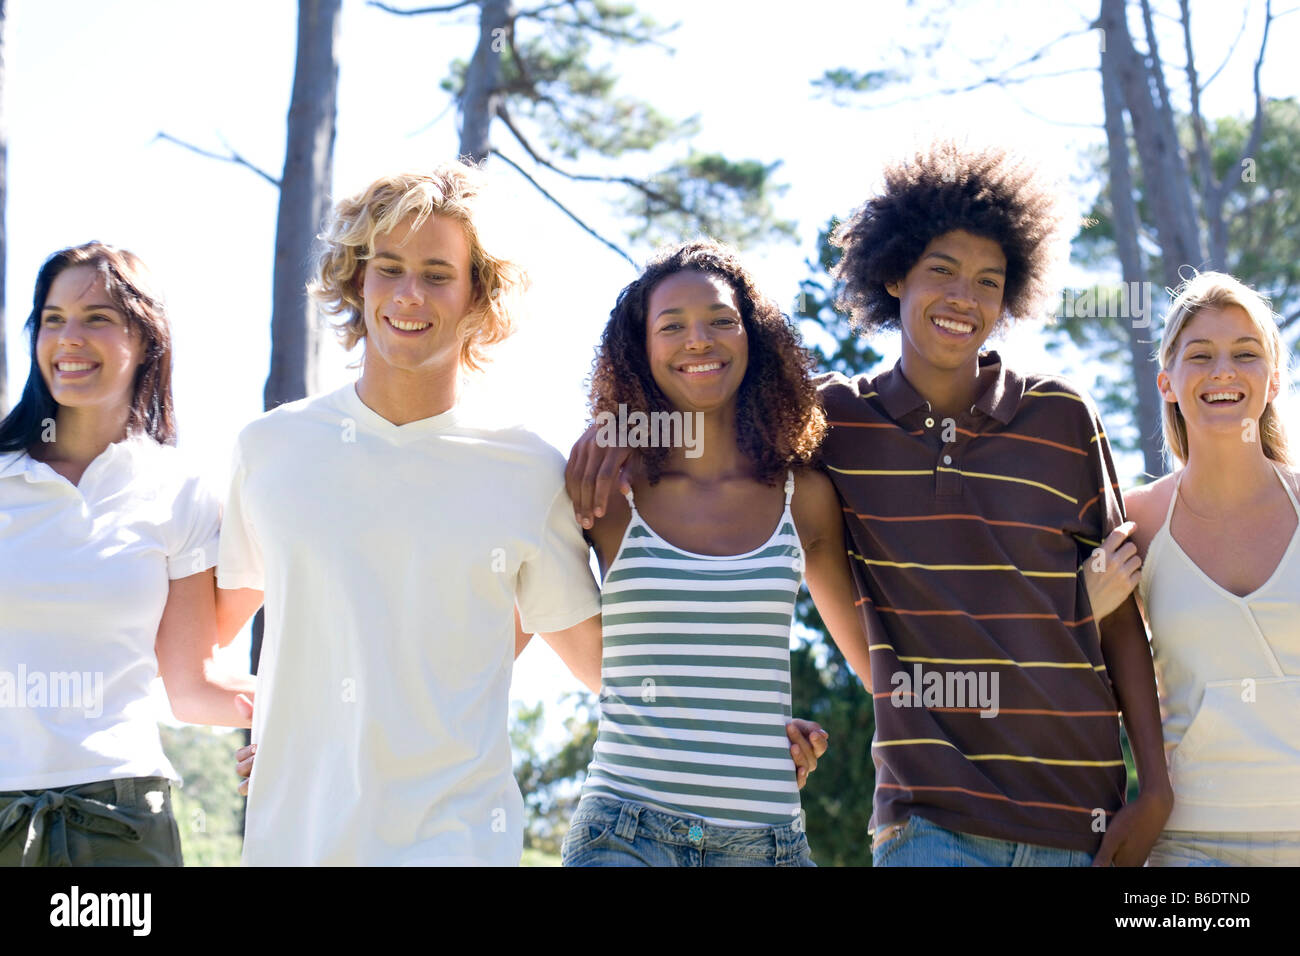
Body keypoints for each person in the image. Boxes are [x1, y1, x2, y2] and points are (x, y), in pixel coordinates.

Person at [570, 141, 1173, 866]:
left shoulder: (1063, 418)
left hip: (1081, 816)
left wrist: (1156, 789)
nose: (963, 297)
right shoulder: (834, 426)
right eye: (941, 271)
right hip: (927, 821)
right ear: (893, 275)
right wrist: (620, 426)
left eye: (989, 280)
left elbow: (1117, 615)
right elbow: (713, 438)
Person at [219, 165, 825, 866]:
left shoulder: (530, 472)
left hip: (463, 846)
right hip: (294, 845)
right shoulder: (269, 451)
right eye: (388, 268)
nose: (410, 294)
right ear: (359, 280)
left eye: (438, 274)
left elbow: (612, 664)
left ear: (479, 293)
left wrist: (744, 735)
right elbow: (204, 656)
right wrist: (291, 721)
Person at [561, 240, 869, 867]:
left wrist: (752, 731)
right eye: (671, 326)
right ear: (640, 351)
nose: (698, 340)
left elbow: (874, 666)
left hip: (770, 844)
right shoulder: (609, 490)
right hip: (625, 833)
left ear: (753, 337)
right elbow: (540, 611)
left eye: (721, 320)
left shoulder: (801, 497)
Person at [0, 242, 255, 867]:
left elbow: (192, 686)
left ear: (146, 339)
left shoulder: (180, 492)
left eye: (97, 318)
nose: (69, 338)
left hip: (124, 819)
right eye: (53, 319)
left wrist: (296, 712)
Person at [1084, 272, 1300, 866]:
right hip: (1189, 845)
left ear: (1274, 378)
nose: (1223, 370)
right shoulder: (1135, 522)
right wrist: (1085, 607)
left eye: (1246, 354)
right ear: (1169, 382)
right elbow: (1074, 668)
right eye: (1200, 355)